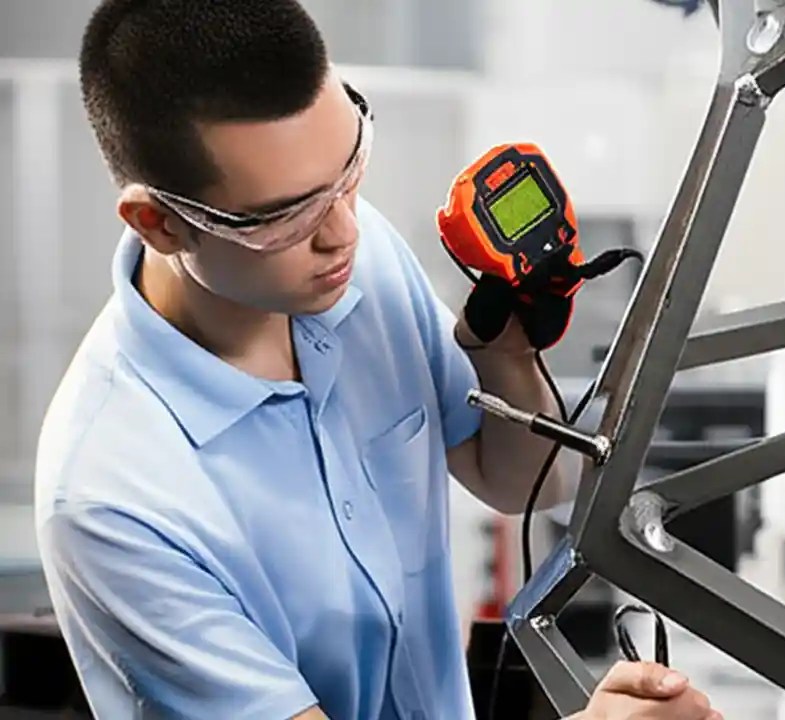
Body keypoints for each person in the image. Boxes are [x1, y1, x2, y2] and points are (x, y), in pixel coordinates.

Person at [31, 1, 721, 719]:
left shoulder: (353, 264)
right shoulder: (113, 502)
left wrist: (504, 357)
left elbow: (522, 484)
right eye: (287, 216)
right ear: (161, 222)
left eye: (348, 169)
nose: (344, 231)